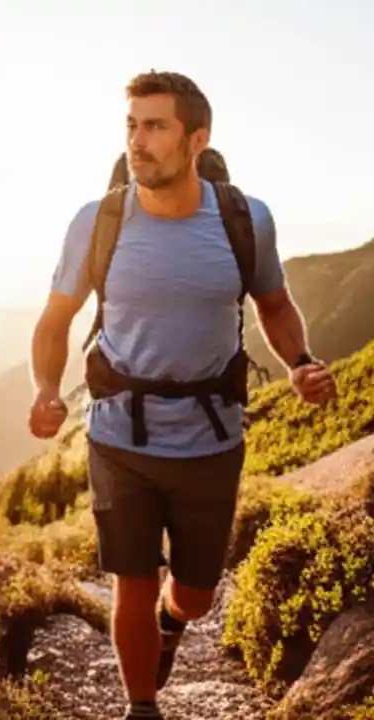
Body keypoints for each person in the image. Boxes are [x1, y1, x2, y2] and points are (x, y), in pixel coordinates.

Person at [27, 71, 335, 720]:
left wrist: (302, 364)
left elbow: (275, 306)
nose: (137, 141)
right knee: (132, 584)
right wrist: (46, 391)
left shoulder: (245, 220)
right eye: (131, 126)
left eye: (155, 126)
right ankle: (142, 707)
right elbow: (55, 322)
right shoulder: (98, 221)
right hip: (119, 436)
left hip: (211, 437)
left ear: (197, 139)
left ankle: (174, 622)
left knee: (195, 594)